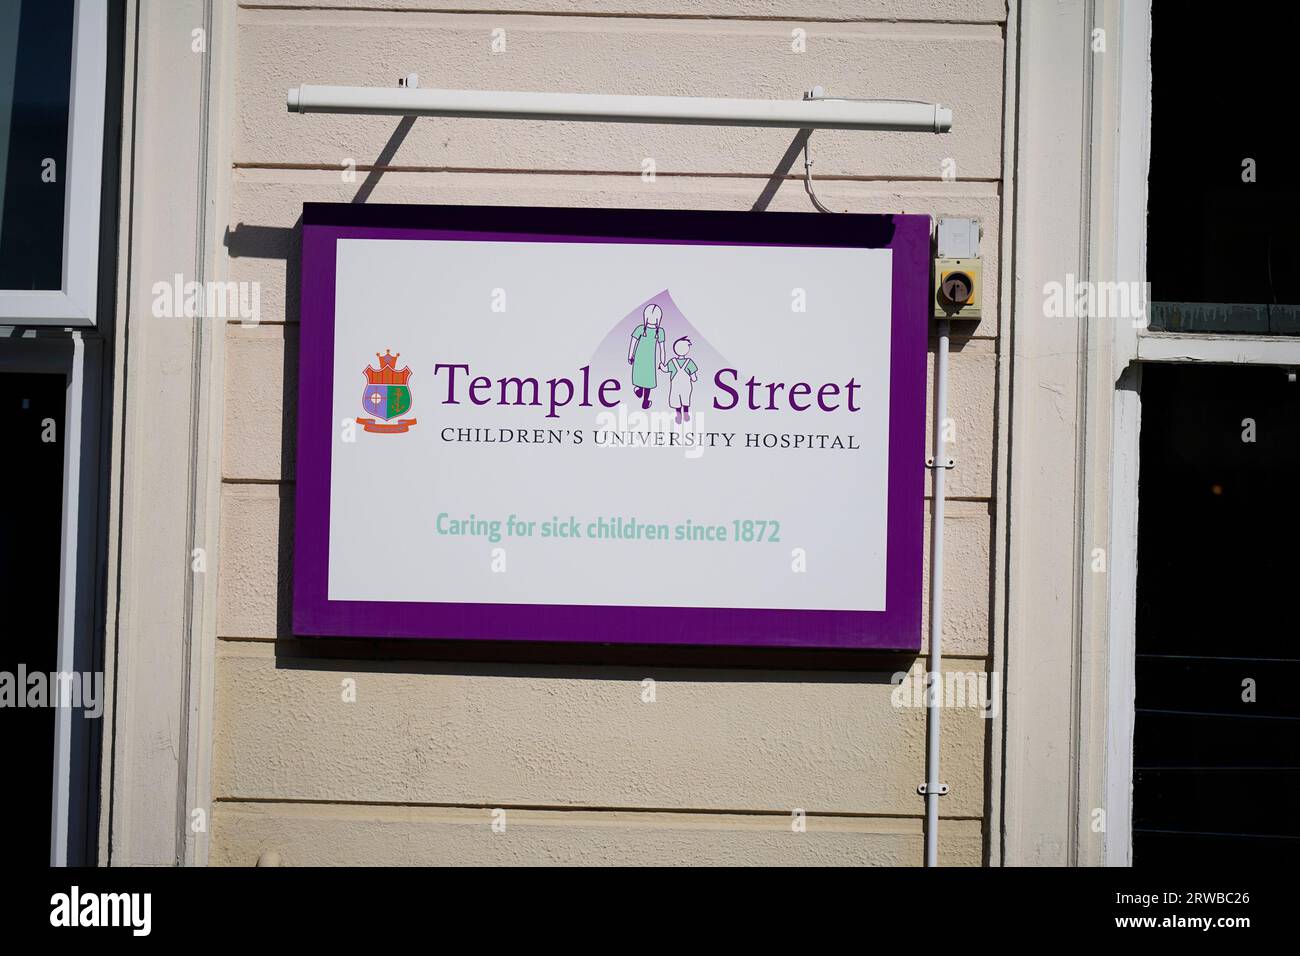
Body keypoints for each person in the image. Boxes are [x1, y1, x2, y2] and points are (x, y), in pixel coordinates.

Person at [627, 303, 666, 409]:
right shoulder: (660, 332)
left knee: (640, 376)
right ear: (659, 318)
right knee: (648, 381)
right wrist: (663, 362)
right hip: (650, 360)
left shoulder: (640, 329)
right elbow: (662, 349)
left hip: (639, 357)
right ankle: (645, 402)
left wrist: (630, 356)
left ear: (645, 316)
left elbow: (633, 343)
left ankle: (639, 390)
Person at [662, 335, 699, 424]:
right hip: (686, 386)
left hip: (676, 386)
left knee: (676, 401)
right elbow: (693, 375)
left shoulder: (672, 362)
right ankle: (685, 413)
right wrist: (694, 378)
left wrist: (661, 366)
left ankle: (679, 415)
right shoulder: (689, 362)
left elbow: (666, 369)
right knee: (685, 399)